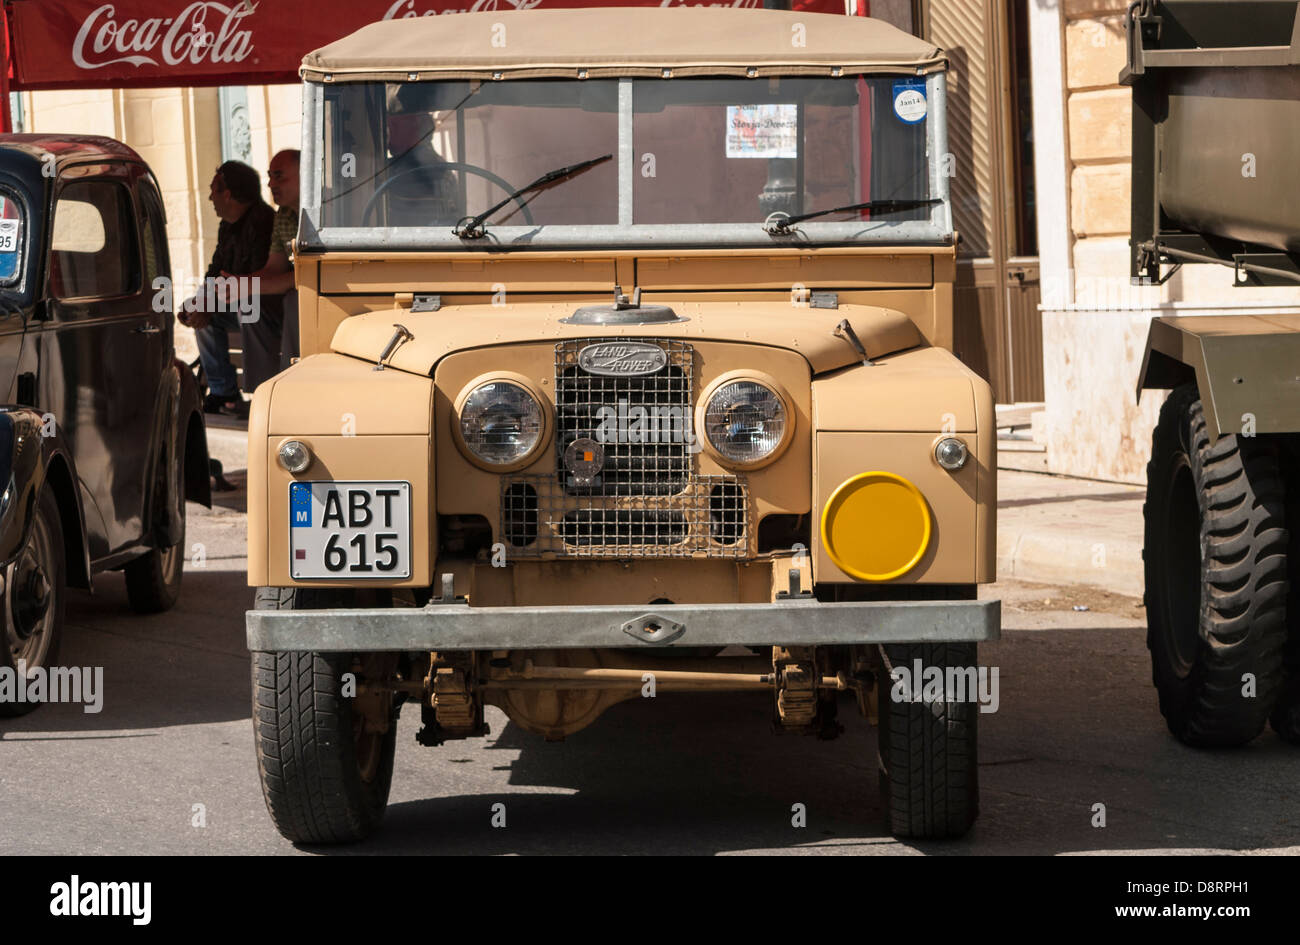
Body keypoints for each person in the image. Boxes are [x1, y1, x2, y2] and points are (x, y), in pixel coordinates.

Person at [180, 160, 282, 416]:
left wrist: (211, 303)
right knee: (198, 311)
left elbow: (254, 281)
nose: (210, 197)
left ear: (228, 193)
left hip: (267, 307)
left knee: (245, 308)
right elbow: (216, 271)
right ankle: (223, 392)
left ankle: (263, 399)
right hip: (236, 301)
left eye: (214, 190)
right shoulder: (227, 225)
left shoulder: (264, 222)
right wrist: (202, 304)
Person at [236, 150, 300, 369]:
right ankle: (260, 390)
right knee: (250, 304)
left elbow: (314, 274)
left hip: (322, 294)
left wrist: (249, 285)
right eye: (270, 176)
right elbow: (274, 267)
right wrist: (238, 284)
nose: (271, 183)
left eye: (279, 176)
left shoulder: (329, 210)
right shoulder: (283, 215)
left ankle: (289, 385)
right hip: (294, 295)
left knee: (294, 300)